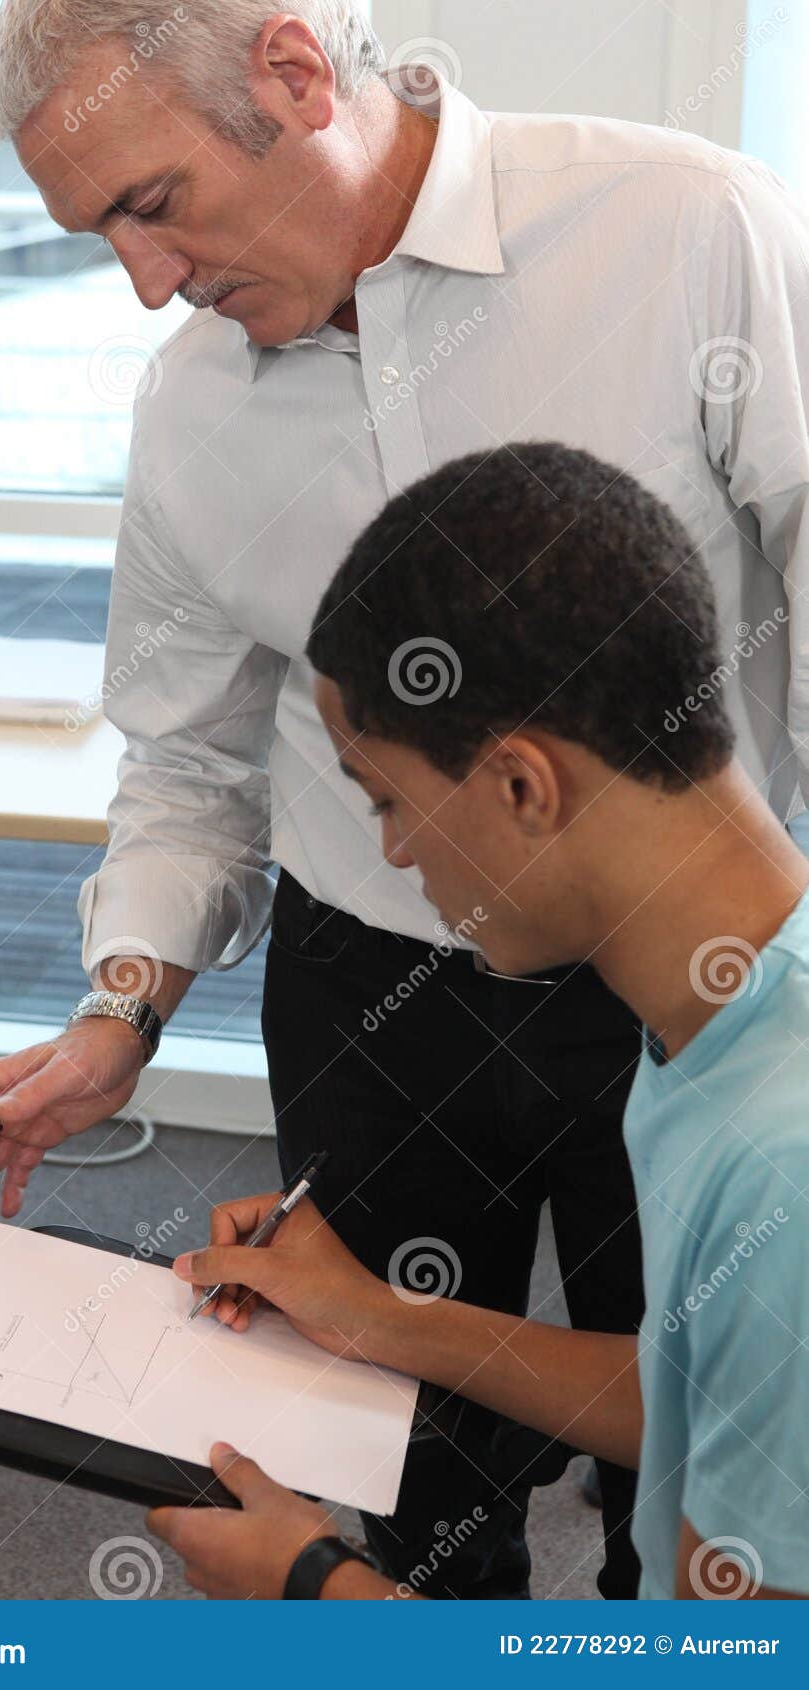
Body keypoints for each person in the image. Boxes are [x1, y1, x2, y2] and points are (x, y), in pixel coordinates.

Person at [0, 1, 809, 1599]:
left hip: (678, 982)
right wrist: (120, 1008)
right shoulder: (186, 409)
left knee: (697, 1456)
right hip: (371, 986)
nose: (144, 281)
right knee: (380, 1441)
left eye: (150, 203)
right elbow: (185, 755)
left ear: (293, 74)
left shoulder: (686, 231)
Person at [146, 443, 809, 1601]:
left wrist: (314, 1590)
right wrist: (379, 1317)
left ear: (520, 784)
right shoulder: (732, 997)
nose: (392, 855)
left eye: (390, 801)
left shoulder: (779, 1160)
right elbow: (720, 1394)